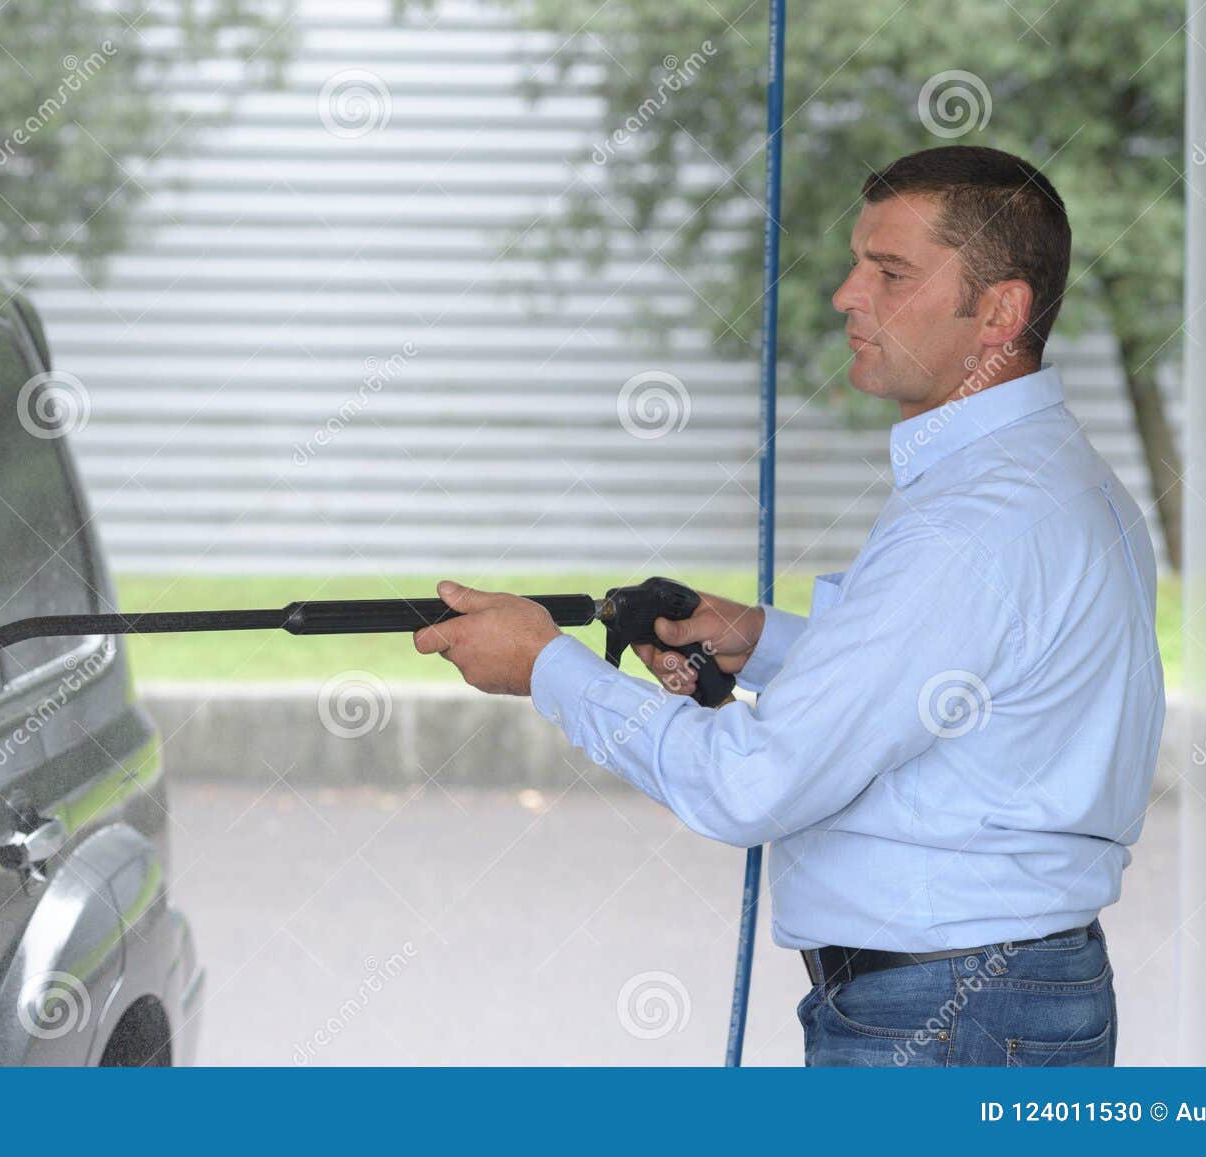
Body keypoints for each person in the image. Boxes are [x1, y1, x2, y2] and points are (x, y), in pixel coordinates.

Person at [412, 145, 1165, 1067]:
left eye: (889, 273)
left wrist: (546, 667)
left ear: (1000, 311)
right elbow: (965, 693)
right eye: (857, 264)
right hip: (991, 996)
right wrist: (755, 640)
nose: (847, 295)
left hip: (945, 1018)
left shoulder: (973, 522)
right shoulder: (1049, 476)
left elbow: (751, 784)